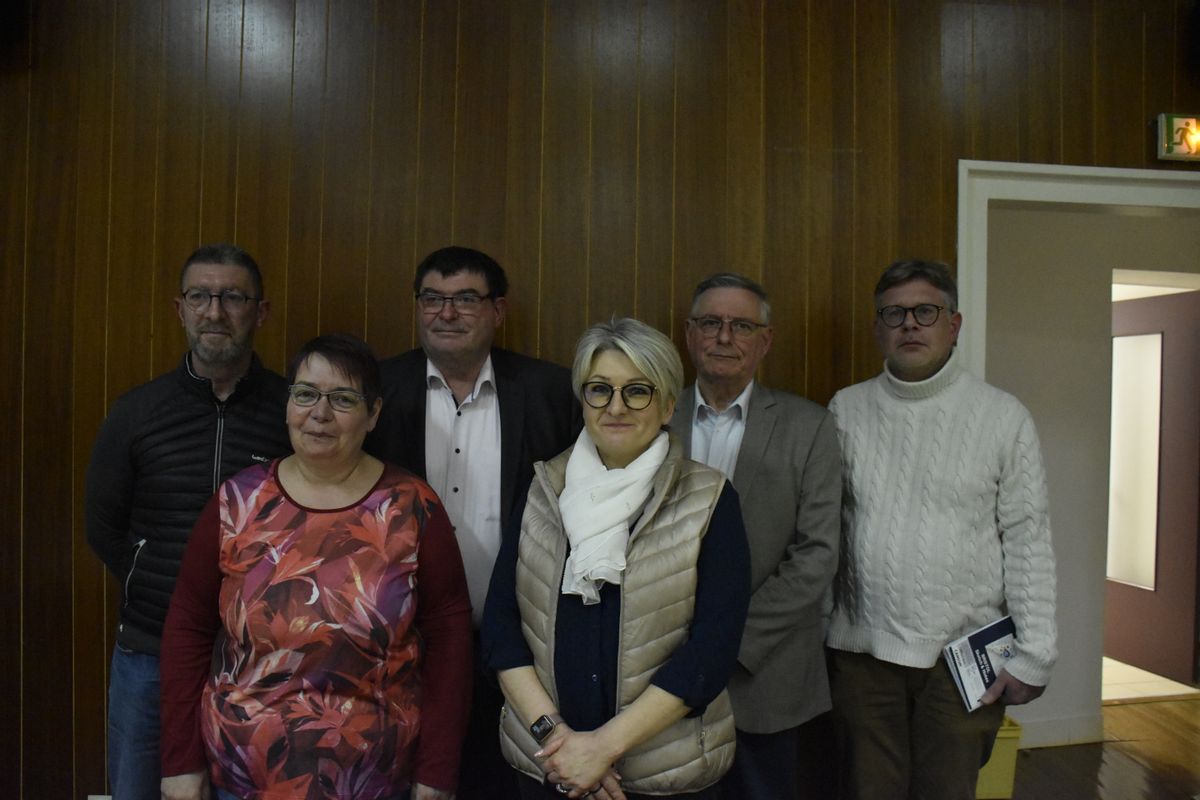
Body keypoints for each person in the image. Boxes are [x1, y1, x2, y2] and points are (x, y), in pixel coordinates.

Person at [159, 333, 473, 800]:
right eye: (305, 394)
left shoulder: (412, 506)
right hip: (243, 776)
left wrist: (437, 772)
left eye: (342, 399)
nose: (319, 413)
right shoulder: (238, 502)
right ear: (288, 406)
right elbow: (187, 628)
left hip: (374, 779)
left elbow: (450, 642)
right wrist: (180, 762)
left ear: (374, 413)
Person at [483, 317, 752, 800]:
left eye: (638, 391)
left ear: (669, 403)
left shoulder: (709, 498)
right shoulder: (544, 488)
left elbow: (711, 651)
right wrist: (559, 742)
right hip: (549, 765)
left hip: (662, 774)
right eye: (600, 390)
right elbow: (503, 626)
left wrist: (603, 748)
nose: (616, 407)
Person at [826, 260, 1058, 800]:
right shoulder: (845, 409)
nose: (910, 324)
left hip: (963, 662)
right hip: (863, 658)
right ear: (877, 327)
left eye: (925, 311)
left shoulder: (1003, 417)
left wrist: (1036, 653)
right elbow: (823, 530)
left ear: (952, 325)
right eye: (895, 313)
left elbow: (1029, 541)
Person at [366, 246, 581, 798]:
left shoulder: (552, 393)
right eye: (433, 299)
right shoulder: (376, 394)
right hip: (398, 645)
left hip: (515, 646)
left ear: (498, 311)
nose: (447, 313)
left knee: (500, 782)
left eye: (465, 299)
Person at [85, 243, 291, 800]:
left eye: (232, 297)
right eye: (200, 296)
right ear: (180, 309)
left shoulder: (294, 413)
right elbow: (103, 525)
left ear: (261, 311)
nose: (215, 311)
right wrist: (154, 583)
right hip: (149, 653)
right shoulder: (136, 412)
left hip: (263, 661)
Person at [670, 273, 842, 800]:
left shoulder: (809, 426)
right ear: (690, 333)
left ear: (764, 340)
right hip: (662, 662)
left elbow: (816, 554)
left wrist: (729, 643)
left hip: (764, 673)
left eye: (741, 325)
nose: (724, 337)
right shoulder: (647, 415)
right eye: (710, 323)